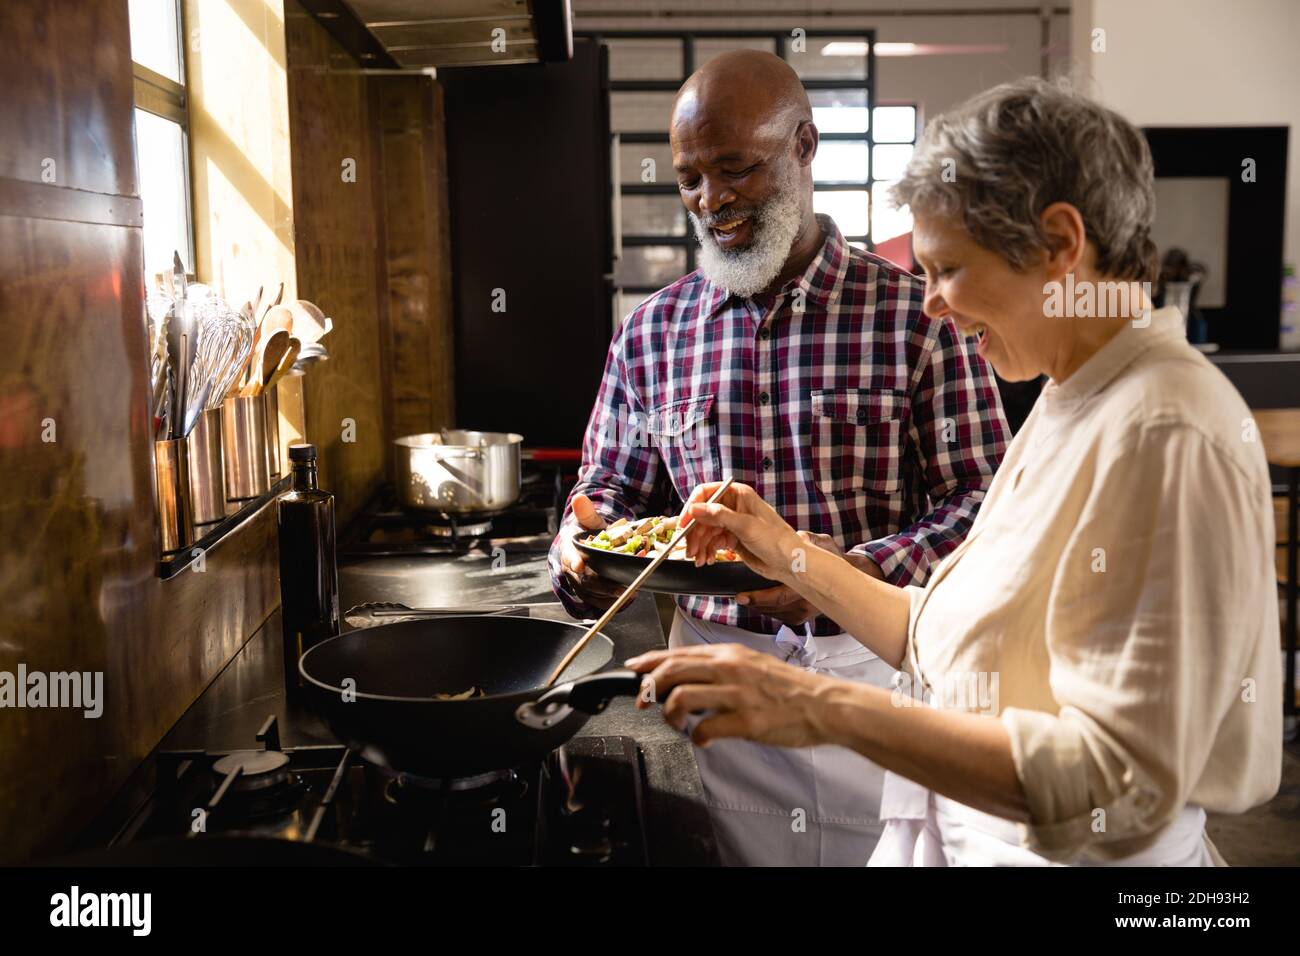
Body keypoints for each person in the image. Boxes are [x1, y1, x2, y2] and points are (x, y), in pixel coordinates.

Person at [627, 77, 1282, 866]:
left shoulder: (1166, 431)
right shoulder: (1076, 390)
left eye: (947, 269)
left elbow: (1120, 787)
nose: (931, 305)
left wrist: (818, 704)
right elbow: (931, 637)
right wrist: (783, 549)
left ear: (1060, 244)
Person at [547, 50, 1009, 865]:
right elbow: (608, 492)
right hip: (719, 686)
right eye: (689, 177)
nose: (710, 199)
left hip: (876, 671)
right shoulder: (652, 333)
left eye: (736, 168)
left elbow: (986, 505)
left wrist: (847, 571)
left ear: (804, 146)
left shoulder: (919, 317)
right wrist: (577, 547)